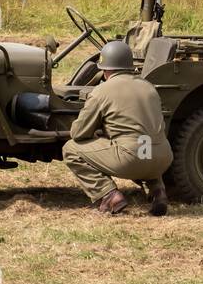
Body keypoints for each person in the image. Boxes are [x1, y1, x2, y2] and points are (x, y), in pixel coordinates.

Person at [63, 40, 172, 215]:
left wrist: (101, 133)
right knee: (144, 142)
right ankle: (158, 191)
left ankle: (109, 196)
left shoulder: (102, 91)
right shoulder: (149, 87)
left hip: (130, 159)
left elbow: (78, 133)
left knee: (70, 149)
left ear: (105, 69)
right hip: (162, 158)